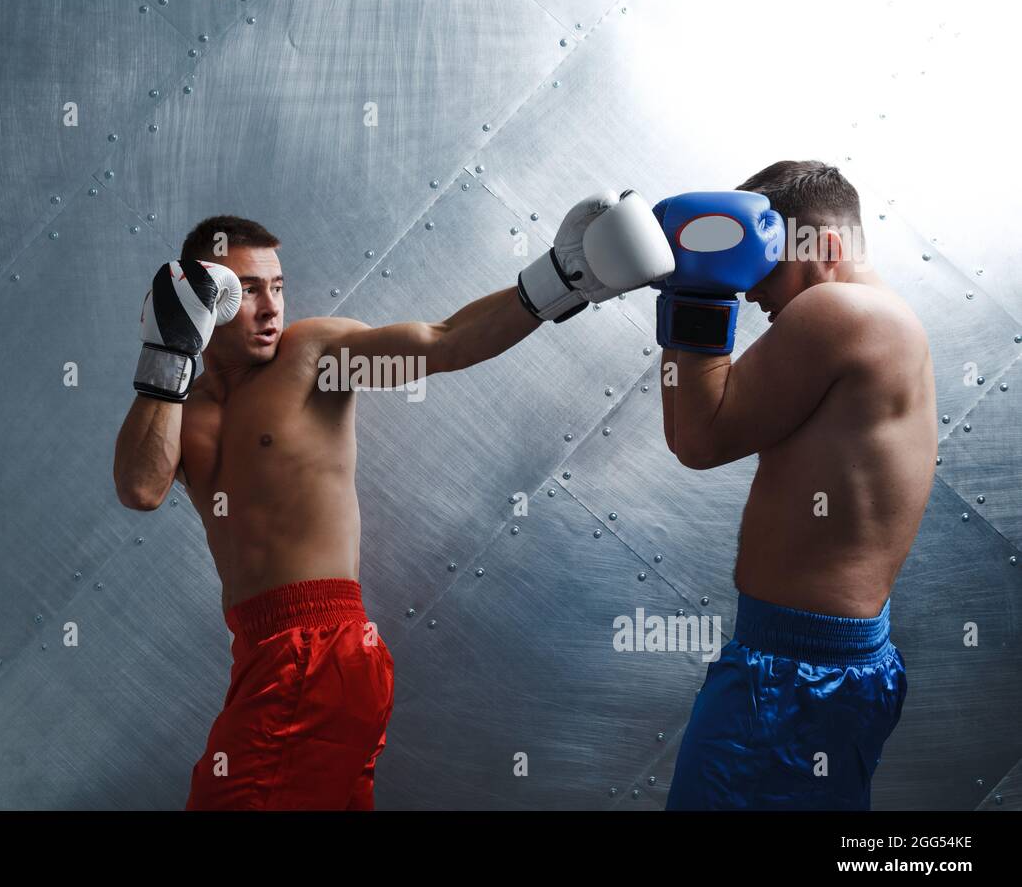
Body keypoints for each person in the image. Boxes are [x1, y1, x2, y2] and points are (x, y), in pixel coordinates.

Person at [114, 192, 673, 809]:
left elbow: (443, 342)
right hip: (261, 656)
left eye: (278, 286)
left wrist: (559, 279)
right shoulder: (182, 404)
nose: (271, 306)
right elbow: (141, 488)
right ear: (208, 296)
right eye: (247, 290)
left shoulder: (314, 358)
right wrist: (168, 354)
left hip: (319, 649)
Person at [656, 162, 936, 809]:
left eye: (766, 266)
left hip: (792, 676)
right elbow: (694, 431)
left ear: (825, 247)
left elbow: (698, 440)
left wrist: (698, 288)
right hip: (828, 665)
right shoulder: (891, 319)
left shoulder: (841, 309)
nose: (753, 291)